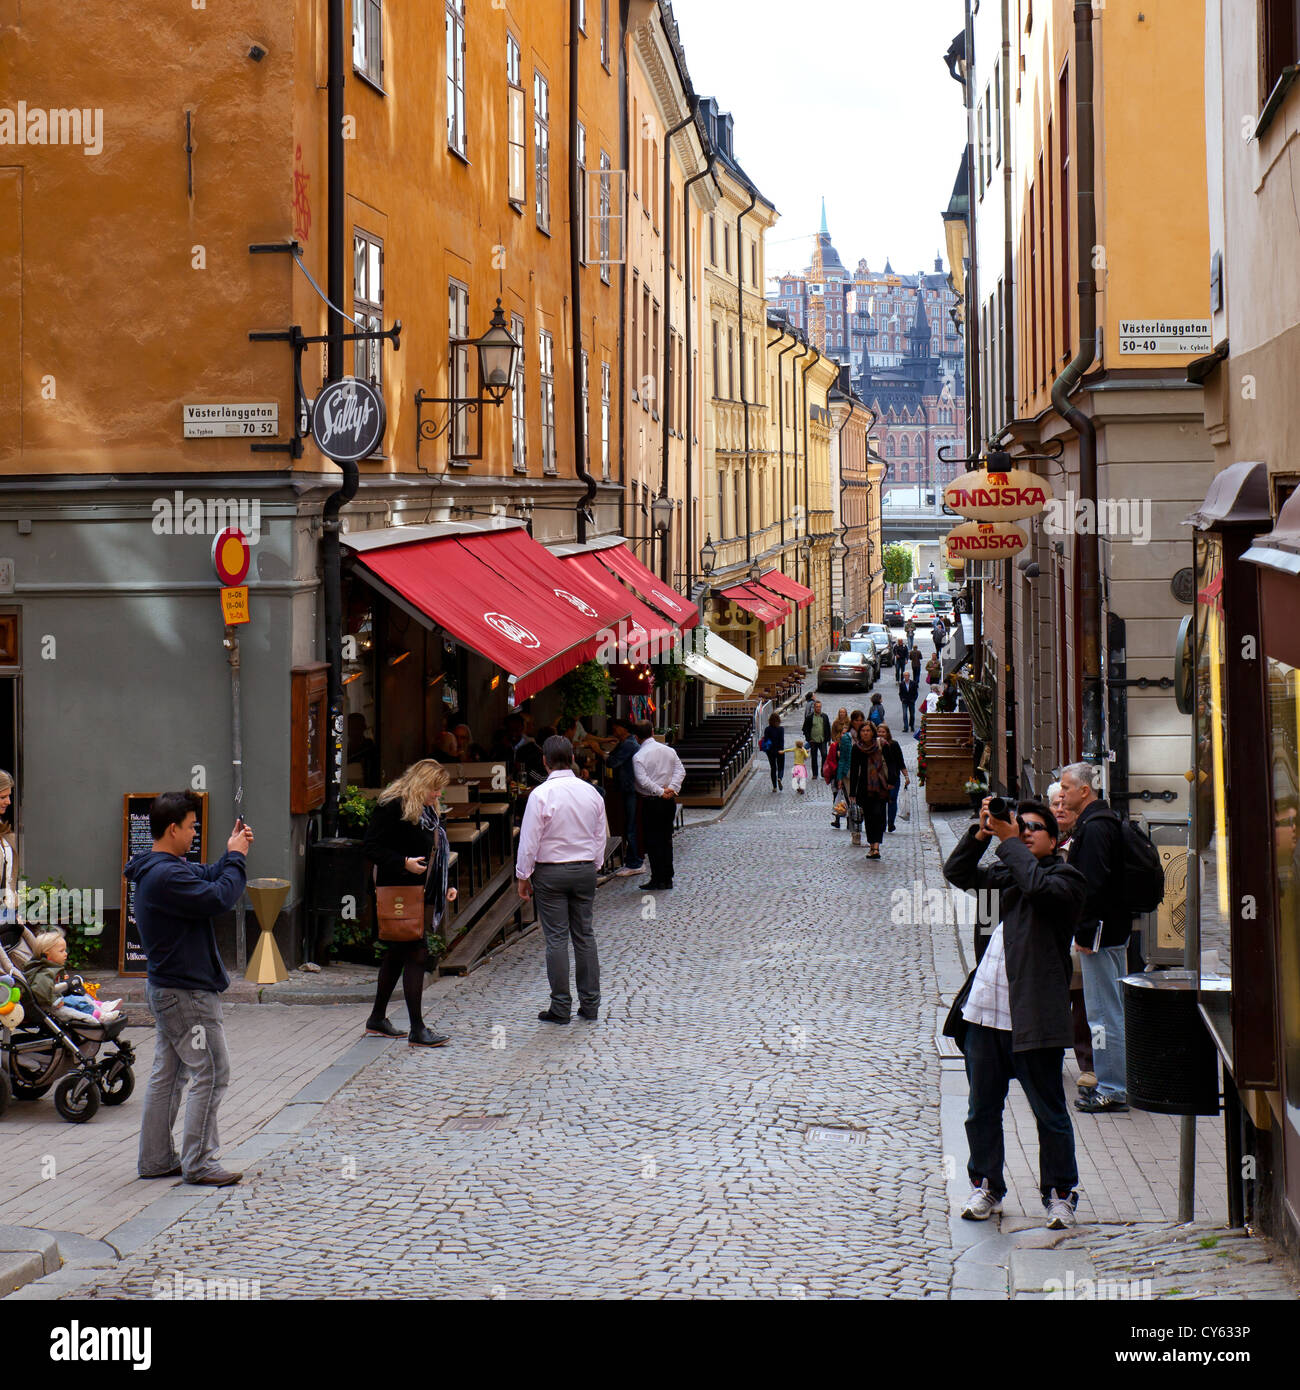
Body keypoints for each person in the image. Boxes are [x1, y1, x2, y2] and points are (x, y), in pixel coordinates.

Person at [944, 797, 1088, 1229]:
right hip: (984, 1015)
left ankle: (1060, 1193)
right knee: (981, 1109)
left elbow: (1038, 888)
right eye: (1018, 825)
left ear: (1054, 838)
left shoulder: (1066, 879)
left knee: (1049, 1112)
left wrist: (1009, 843)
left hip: (1034, 1019)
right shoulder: (1004, 876)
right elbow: (957, 873)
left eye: (1033, 827)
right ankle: (986, 1184)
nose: (1023, 831)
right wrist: (982, 832)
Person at [126, 792, 252, 1187]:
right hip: (186, 993)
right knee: (213, 1072)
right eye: (192, 827)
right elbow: (219, 896)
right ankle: (199, 1163)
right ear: (172, 829)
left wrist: (232, 853)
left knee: (170, 1073)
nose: (195, 833)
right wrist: (237, 858)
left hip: (169, 987)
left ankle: (157, 1159)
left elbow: (210, 876)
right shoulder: (166, 875)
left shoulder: (162, 868)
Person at [363, 760, 458, 1048]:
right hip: (397, 889)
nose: (438, 795)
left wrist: (448, 884)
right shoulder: (392, 805)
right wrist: (403, 862)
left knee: (396, 952)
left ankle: (377, 1019)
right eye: (435, 789)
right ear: (421, 784)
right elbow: (370, 846)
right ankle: (417, 1029)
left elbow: (437, 849)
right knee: (416, 952)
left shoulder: (428, 810)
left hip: (419, 890)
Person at [515, 736, 609, 1024]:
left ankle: (560, 1006)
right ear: (571, 757)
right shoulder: (591, 792)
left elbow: (529, 840)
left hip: (551, 872)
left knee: (556, 938)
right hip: (583, 870)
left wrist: (523, 875)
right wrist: (594, 864)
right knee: (585, 935)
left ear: (544, 760)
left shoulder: (541, 794)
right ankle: (591, 1003)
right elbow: (599, 834)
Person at [1059, 762, 1130, 1114]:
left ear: (1084, 791)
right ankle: (1113, 1081)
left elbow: (1093, 884)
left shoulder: (1095, 828)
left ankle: (1113, 1087)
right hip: (1109, 929)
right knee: (1108, 1010)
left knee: (1103, 1014)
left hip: (1100, 933)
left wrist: (1084, 931)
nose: (1062, 794)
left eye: (1066, 788)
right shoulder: (1101, 822)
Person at [1049, 780, 1094, 1095]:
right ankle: (1049, 1058)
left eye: (1065, 803)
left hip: (1076, 933)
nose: (1060, 809)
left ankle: (1088, 1064)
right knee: (1052, 1000)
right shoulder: (1041, 842)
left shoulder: (1081, 841)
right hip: (1052, 936)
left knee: (1081, 1001)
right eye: (1055, 804)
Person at [633, 721, 685, 890]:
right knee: (666, 838)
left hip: (651, 801)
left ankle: (657, 877)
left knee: (653, 841)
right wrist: (672, 788)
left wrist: (660, 791)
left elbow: (642, 780)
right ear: (653, 731)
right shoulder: (668, 750)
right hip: (668, 800)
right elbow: (680, 771)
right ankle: (667, 877)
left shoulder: (639, 757)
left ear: (636, 737)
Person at [25, 931, 121, 1022]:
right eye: (61, 951)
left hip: (59, 997)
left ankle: (101, 1007)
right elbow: (41, 990)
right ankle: (99, 1016)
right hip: (52, 1005)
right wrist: (55, 1001)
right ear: (48, 955)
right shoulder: (44, 973)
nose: (66, 954)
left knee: (84, 995)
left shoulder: (53, 968)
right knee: (77, 1000)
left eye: (65, 950)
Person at [605, 716, 645, 878]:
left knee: (630, 826)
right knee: (628, 825)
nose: (613, 729)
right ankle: (632, 860)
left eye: (616, 727)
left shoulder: (628, 744)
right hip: (626, 789)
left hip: (629, 790)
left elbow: (612, 762)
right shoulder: (624, 743)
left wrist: (598, 750)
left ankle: (635, 862)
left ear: (624, 728)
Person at [848, 719, 890, 858]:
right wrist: (852, 792)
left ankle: (876, 846)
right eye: (863, 731)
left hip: (880, 786)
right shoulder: (857, 748)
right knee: (869, 817)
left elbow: (891, 764)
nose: (865, 733)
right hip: (864, 788)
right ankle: (872, 844)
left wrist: (892, 782)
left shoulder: (882, 745)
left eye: (868, 731)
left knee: (878, 815)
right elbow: (854, 770)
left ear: (872, 732)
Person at [877, 724, 910, 832]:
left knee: (892, 799)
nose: (881, 734)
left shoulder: (894, 745)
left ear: (887, 733)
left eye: (883, 732)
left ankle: (891, 823)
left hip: (893, 777)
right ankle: (882, 823)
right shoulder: (875, 745)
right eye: (879, 732)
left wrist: (906, 776)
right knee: (881, 801)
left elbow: (900, 761)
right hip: (880, 777)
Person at [829, 709, 855, 829]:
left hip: (847, 773)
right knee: (838, 797)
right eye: (843, 734)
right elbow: (830, 760)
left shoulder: (851, 744)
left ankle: (851, 820)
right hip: (837, 774)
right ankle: (838, 818)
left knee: (850, 797)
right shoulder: (835, 746)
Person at [802, 699, 832, 780]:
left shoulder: (825, 716)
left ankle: (823, 772)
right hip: (813, 740)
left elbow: (828, 728)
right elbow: (805, 729)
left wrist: (829, 739)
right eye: (817, 707)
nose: (818, 708)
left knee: (824, 755)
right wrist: (808, 739)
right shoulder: (810, 717)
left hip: (822, 740)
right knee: (814, 757)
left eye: (819, 707)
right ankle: (815, 774)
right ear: (814, 707)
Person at [760, 711, 786, 791]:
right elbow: (781, 741)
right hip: (779, 750)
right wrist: (781, 749)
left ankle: (774, 786)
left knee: (773, 767)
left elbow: (766, 740)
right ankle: (780, 778)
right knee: (781, 766)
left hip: (770, 751)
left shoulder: (767, 729)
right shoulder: (781, 729)